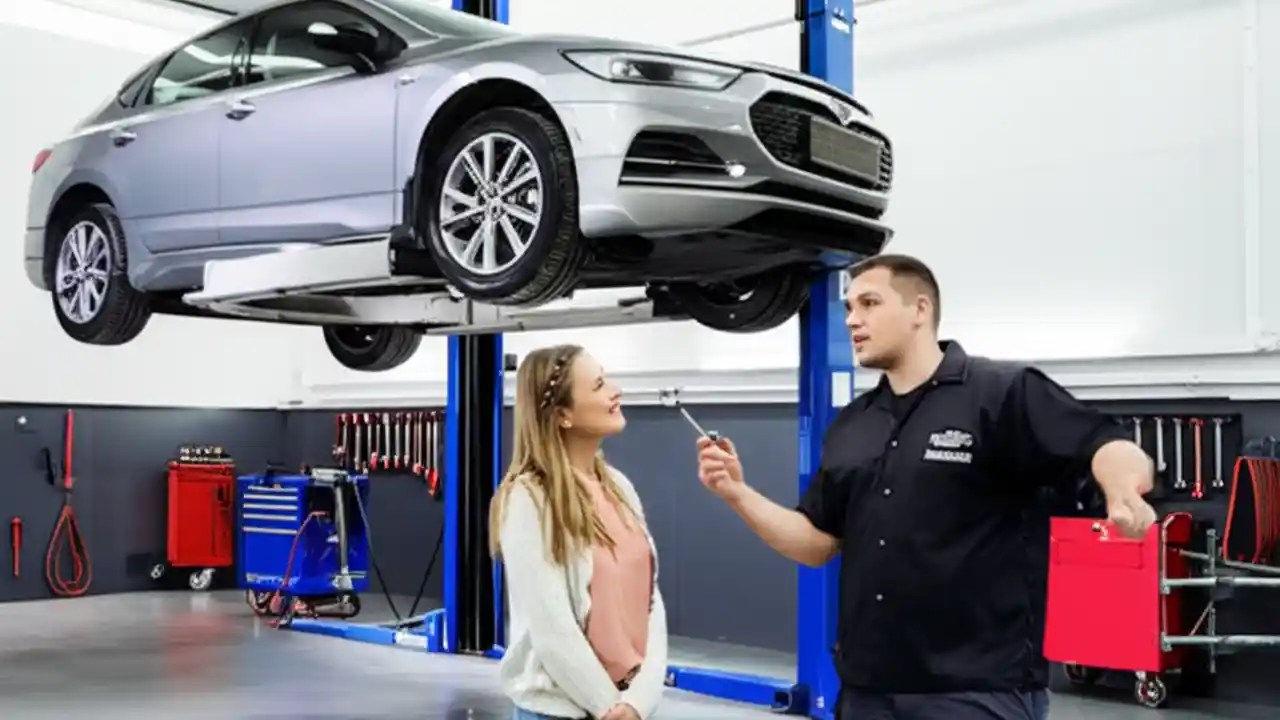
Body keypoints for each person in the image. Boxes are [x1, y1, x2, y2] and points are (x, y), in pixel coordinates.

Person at [695, 253, 1158, 720]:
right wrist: (738, 494)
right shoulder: (853, 425)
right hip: (866, 692)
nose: (854, 320)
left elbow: (1106, 443)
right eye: (850, 308)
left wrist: (1123, 490)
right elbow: (816, 542)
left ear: (920, 309)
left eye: (870, 304)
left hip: (977, 692)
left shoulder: (1001, 393)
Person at [490, 344, 668, 720]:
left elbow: (651, 602)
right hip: (562, 711)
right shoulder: (528, 499)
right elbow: (551, 627)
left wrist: (638, 703)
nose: (615, 390)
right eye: (600, 385)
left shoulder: (618, 487)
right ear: (563, 415)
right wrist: (609, 708)